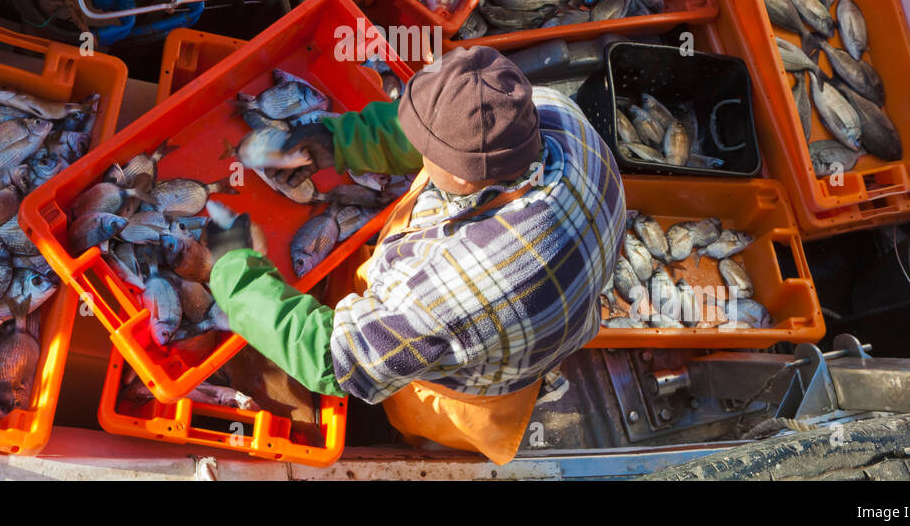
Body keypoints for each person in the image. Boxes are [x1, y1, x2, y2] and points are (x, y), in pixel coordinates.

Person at [203, 46, 624, 464]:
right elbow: (439, 131)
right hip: (546, 311)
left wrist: (232, 269)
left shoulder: (456, 287)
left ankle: (413, 439)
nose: (420, 149)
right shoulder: (552, 112)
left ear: (461, 174)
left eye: (427, 149)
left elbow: (336, 361)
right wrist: (338, 142)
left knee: (412, 419)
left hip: (466, 390)